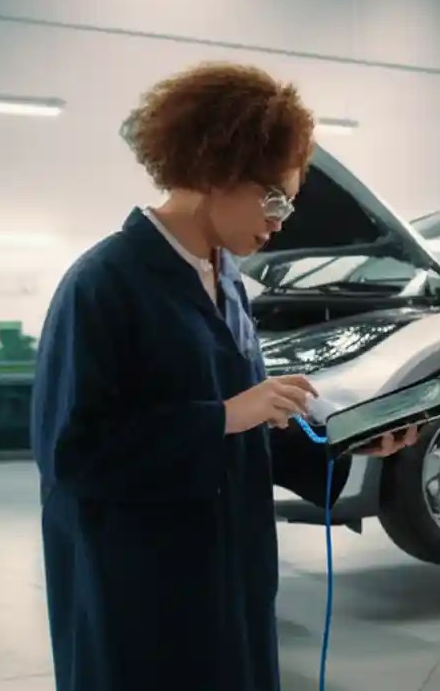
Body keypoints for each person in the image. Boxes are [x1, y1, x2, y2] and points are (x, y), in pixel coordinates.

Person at [31, 61, 418, 691]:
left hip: (230, 572)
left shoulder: (228, 282)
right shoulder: (101, 285)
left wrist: (343, 444)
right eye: (275, 198)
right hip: (138, 586)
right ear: (216, 170)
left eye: (291, 201)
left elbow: (248, 433)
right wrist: (227, 415)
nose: (284, 217)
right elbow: (73, 453)